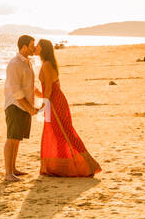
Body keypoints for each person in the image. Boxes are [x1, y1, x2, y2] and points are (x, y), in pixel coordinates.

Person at [36, 39, 102, 177]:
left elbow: (49, 88)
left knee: (64, 133)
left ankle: (88, 164)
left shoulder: (47, 65)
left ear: (43, 49)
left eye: (38, 45)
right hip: (53, 101)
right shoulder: (47, 63)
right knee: (59, 133)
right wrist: (37, 93)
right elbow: (50, 88)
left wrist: (43, 105)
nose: (36, 47)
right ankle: (62, 166)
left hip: (53, 103)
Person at [3, 35, 41, 182]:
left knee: (17, 139)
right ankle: (8, 173)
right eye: (32, 45)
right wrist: (30, 108)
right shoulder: (14, 64)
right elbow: (16, 91)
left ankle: (13, 169)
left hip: (24, 106)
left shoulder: (27, 63)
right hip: (15, 105)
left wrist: (40, 94)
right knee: (11, 138)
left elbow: (29, 85)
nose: (34, 47)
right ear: (24, 47)